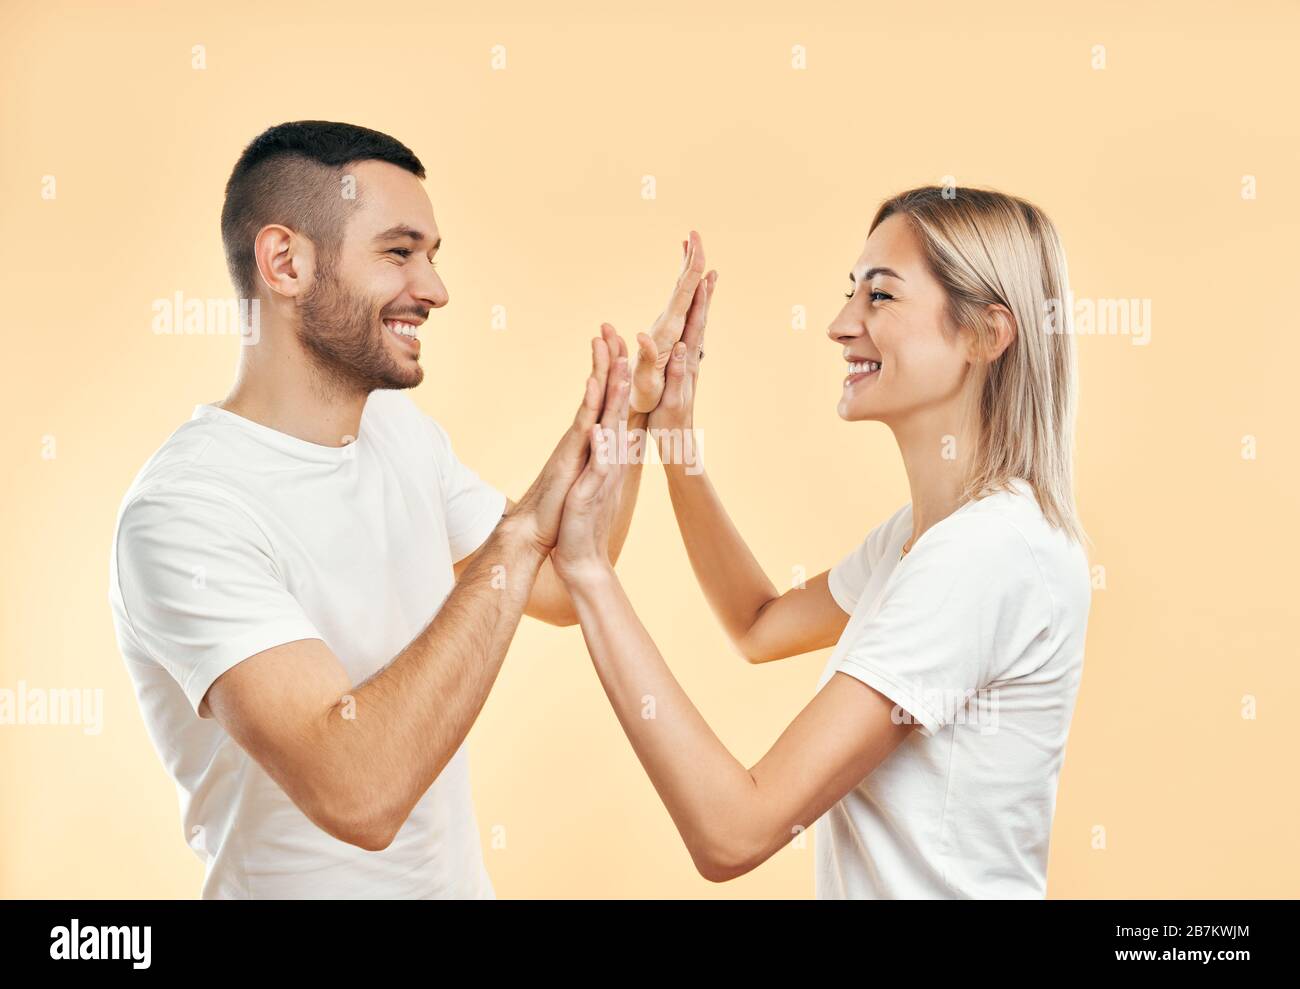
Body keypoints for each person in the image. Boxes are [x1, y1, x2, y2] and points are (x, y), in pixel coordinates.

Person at [107, 120, 707, 898]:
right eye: (399, 252)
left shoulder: (399, 434)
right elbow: (361, 792)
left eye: (432, 254)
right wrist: (521, 534)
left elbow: (558, 583)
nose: (435, 289)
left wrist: (633, 413)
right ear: (285, 262)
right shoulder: (187, 512)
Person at [550, 187, 1092, 898]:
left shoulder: (986, 554)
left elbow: (733, 831)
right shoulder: (923, 536)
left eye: (881, 297)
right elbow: (758, 622)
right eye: (851, 292)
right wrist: (674, 425)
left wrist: (589, 572)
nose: (841, 324)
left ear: (986, 335)